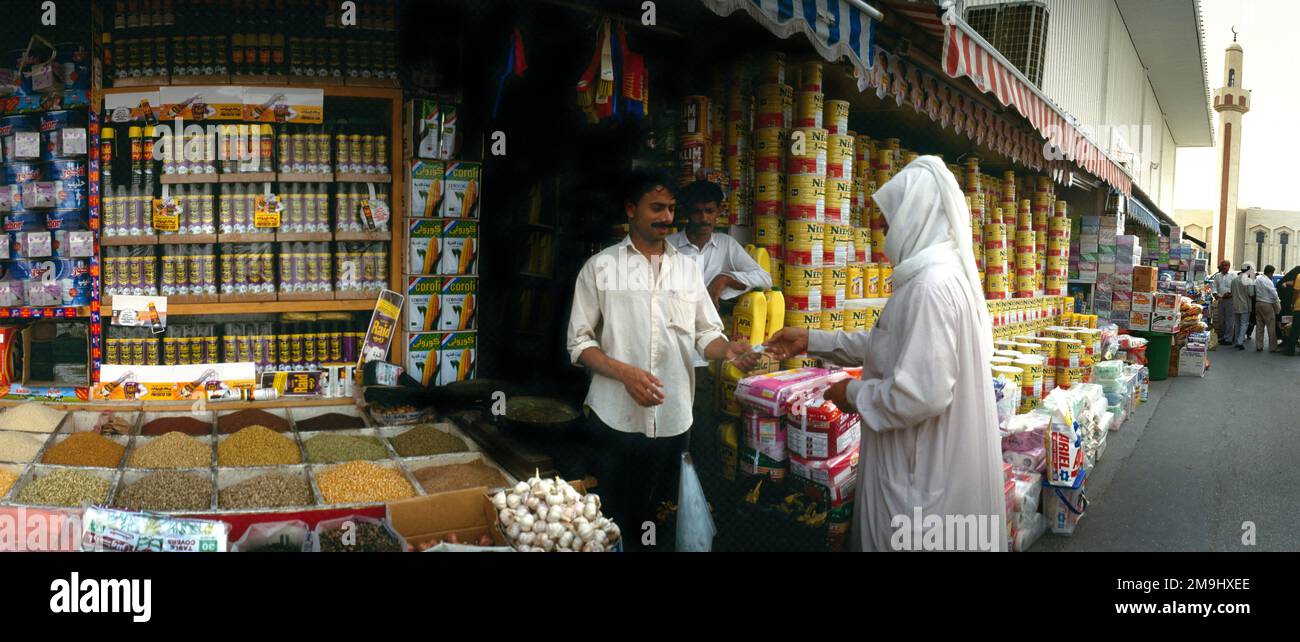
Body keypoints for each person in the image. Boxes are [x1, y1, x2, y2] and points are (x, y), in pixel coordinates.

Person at [765, 156, 1005, 552]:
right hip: (924, 465)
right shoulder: (933, 277)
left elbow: (921, 394)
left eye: (892, 218)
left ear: (917, 216)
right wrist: (811, 339)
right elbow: (889, 346)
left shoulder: (930, 288)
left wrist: (853, 395)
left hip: (921, 476)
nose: (885, 229)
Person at [566, 170, 758, 548]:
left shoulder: (687, 270)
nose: (667, 217)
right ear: (630, 209)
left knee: (661, 517)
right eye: (656, 208)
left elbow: (706, 334)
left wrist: (728, 350)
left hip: (673, 419)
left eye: (671, 209)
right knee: (614, 515)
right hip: (615, 417)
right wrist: (625, 374)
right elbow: (579, 344)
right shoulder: (601, 268)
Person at [668, 180, 773, 308]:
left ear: (719, 211)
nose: (704, 218)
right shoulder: (666, 245)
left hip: (714, 325)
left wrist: (725, 279)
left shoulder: (726, 244)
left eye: (709, 211)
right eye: (697, 212)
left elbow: (764, 279)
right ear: (687, 212)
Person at [1254, 265, 1281, 352]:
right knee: (1271, 326)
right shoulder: (1268, 281)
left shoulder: (1257, 279)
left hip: (1258, 304)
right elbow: (1273, 293)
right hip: (1267, 305)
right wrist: (1278, 301)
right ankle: (1272, 347)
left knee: (1259, 326)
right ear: (1270, 273)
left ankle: (1259, 346)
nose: (1272, 275)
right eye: (1272, 273)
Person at [1230, 262, 1256, 350]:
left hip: (1235, 304)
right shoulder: (1249, 281)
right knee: (1244, 324)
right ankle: (1240, 342)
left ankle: (1236, 341)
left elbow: (1232, 292)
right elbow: (1251, 294)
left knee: (1237, 324)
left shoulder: (1234, 280)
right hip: (1245, 305)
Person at [1209, 260, 1235, 345]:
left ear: (1229, 266)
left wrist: (1230, 294)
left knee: (1230, 320)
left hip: (1230, 300)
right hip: (1220, 300)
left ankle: (1229, 339)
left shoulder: (1233, 276)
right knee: (1221, 320)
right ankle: (1224, 336)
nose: (1224, 267)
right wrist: (1215, 294)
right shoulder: (1217, 276)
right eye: (1222, 265)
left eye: (1226, 265)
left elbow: (1235, 288)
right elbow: (1214, 286)